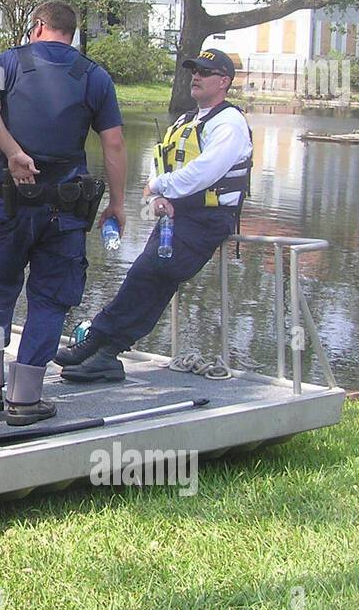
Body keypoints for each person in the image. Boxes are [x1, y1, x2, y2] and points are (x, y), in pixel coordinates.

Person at [0, 1, 127, 424]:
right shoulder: (94, 77)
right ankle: (26, 399)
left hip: (11, 204)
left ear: (37, 26)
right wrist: (117, 203)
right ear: (71, 33)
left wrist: (14, 153)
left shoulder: (10, 63)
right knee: (49, 302)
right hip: (65, 212)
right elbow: (113, 144)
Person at [58, 47, 253, 382]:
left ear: (224, 81)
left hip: (206, 219)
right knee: (153, 278)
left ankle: (100, 342)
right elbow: (158, 163)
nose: (196, 76)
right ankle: (104, 351)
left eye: (205, 72)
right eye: (194, 70)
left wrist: (161, 188)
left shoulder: (229, 124)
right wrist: (155, 197)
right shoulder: (186, 121)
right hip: (172, 215)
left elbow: (204, 172)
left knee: (149, 273)